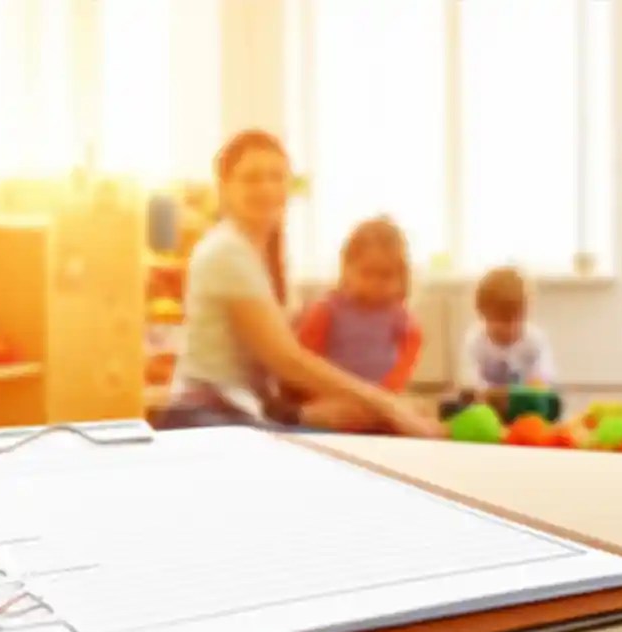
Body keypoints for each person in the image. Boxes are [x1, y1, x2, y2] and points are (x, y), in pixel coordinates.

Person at [159, 130, 441, 437]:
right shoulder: (226, 252)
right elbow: (286, 360)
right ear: (224, 188)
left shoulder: (264, 252)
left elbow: (274, 371)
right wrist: (384, 403)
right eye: (251, 178)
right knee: (360, 438)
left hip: (246, 407)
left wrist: (319, 408)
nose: (266, 187)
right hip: (207, 413)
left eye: (276, 177)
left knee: (378, 421)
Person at [295, 216, 422, 392]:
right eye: (367, 273)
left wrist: (391, 387)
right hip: (334, 392)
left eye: (386, 275)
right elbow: (306, 355)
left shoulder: (398, 315)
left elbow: (410, 348)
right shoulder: (329, 309)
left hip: (381, 393)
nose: (376, 283)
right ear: (347, 269)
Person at [459, 267, 556, 390]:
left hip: (527, 404)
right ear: (482, 315)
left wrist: (536, 386)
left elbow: (545, 380)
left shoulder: (535, 340)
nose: (509, 329)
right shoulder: (475, 340)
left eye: (516, 320)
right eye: (501, 320)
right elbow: (469, 383)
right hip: (486, 404)